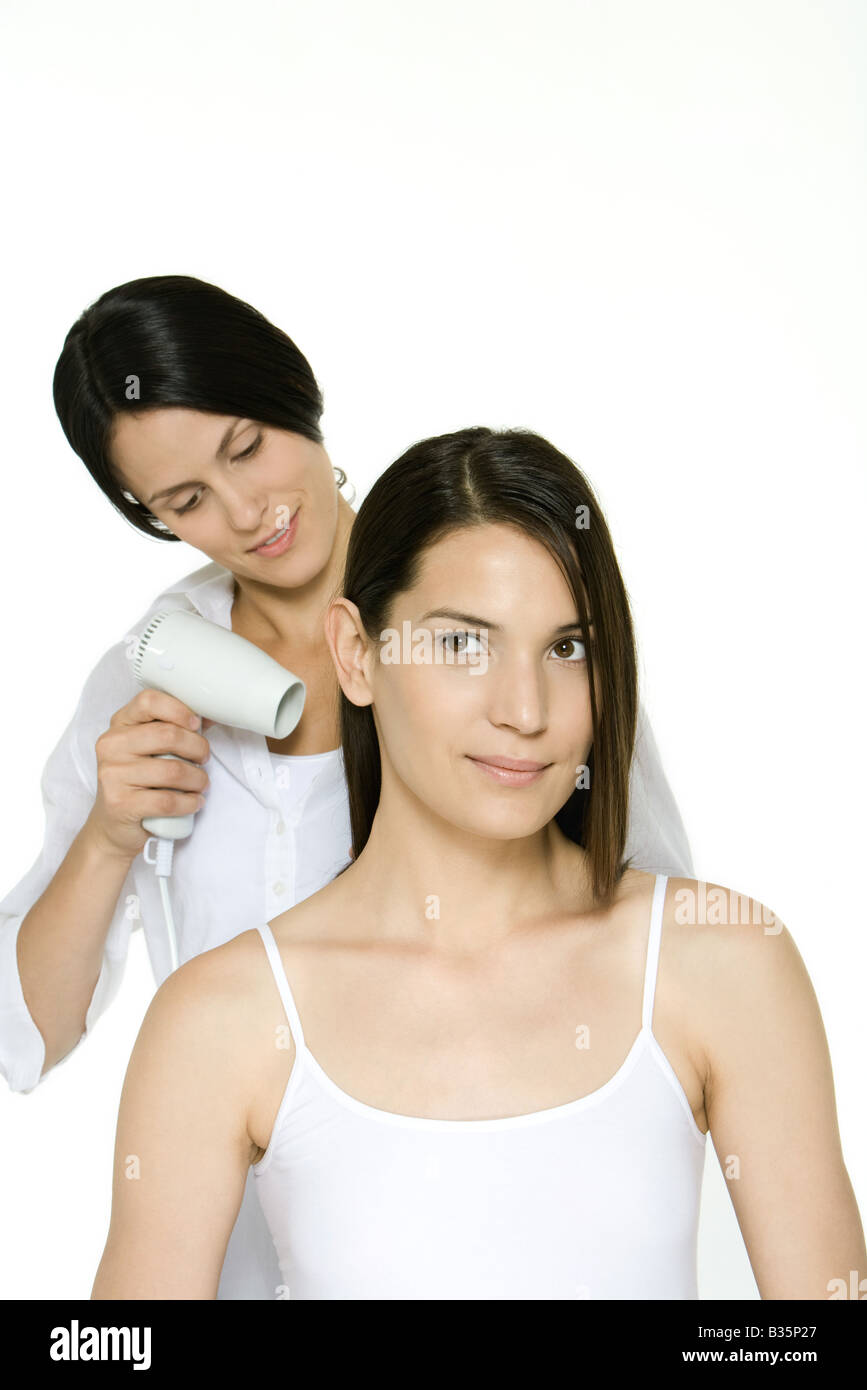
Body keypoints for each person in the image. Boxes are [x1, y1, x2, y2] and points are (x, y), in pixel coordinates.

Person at [0, 277, 695, 1300]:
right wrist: (107, 839)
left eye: (247, 447)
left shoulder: (491, 613)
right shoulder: (147, 680)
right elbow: (28, 1034)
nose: (247, 511)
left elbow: (654, 966)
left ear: (298, 392)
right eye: (185, 501)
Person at [91, 425, 865, 1300]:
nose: (525, 710)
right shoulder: (219, 1019)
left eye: (566, 647)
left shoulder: (723, 962)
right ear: (356, 654)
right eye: (463, 645)